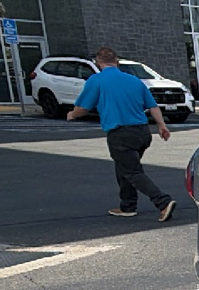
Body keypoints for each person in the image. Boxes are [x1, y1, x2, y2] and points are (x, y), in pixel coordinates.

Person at [68, 47, 176, 221]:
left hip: (120, 133)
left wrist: (72, 114)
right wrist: (162, 126)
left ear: (98, 63)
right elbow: (153, 106)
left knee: (132, 171)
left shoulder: (96, 80)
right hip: (142, 131)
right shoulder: (134, 80)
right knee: (124, 168)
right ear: (117, 62)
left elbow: (83, 108)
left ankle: (163, 202)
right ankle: (128, 206)